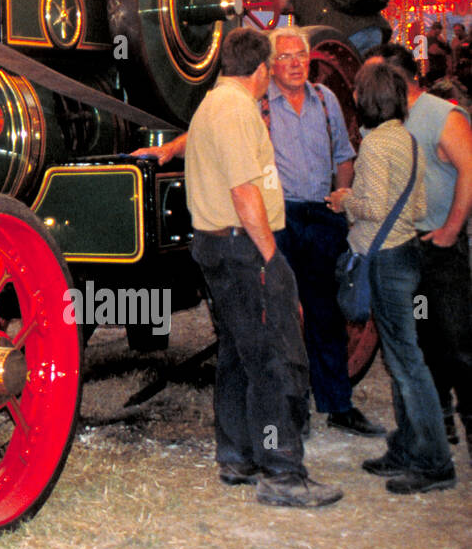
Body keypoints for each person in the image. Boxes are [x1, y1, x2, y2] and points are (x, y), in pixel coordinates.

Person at [136, 27, 384, 437]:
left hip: (321, 215)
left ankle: (339, 404)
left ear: (310, 59)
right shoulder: (253, 102)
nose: (293, 64)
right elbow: (205, 133)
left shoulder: (326, 102)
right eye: (284, 57)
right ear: (268, 65)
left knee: (325, 313)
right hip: (274, 220)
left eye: (300, 56)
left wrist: (343, 199)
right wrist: (167, 150)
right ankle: (292, 413)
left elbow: (344, 155)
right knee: (284, 320)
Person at [184, 27, 342, 507]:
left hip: (221, 246)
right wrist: (272, 257)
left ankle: (237, 455)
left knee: (237, 356)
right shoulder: (234, 109)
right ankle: (281, 472)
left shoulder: (215, 103)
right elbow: (243, 191)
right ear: (259, 71)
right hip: (242, 249)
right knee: (274, 362)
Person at [326, 62, 454, 493]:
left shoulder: (379, 145)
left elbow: (375, 206)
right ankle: (405, 448)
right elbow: (416, 206)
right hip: (407, 253)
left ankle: (435, 462)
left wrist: (346, 200)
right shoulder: (410, 139)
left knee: (407, 365)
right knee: (403, 359)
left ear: (367, 100)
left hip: (383, 259)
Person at [370, 42, 472, 457]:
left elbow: (470, 170)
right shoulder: (382, 120)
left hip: (439, 252)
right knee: (421, 339)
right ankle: (435, 426)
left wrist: (451, 229)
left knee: (460, 344)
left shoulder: (441, 115)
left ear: (396, 78)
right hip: (404, 253)